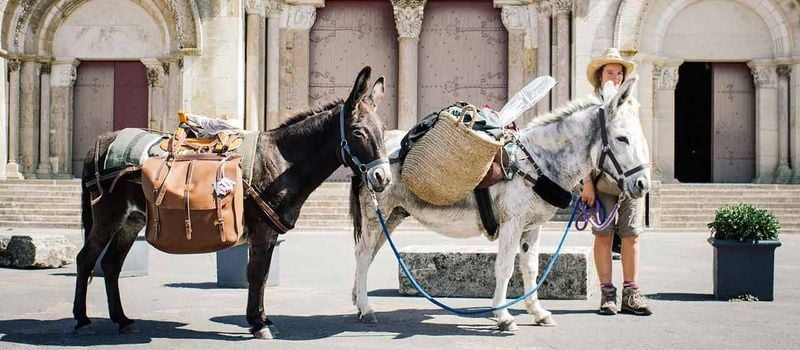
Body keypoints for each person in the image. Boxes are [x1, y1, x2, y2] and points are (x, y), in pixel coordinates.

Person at [581, 48, 652, 316]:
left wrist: (644, 174)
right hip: (602, 183)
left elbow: (639, 143)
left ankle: (631, 294)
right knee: (603, 236)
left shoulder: (632, 106)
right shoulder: (591, 107)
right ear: (600, 77)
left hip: (631, 181)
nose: (615, 76)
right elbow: (585, 148)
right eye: (610, 72)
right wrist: (586, 183)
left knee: (631, 235)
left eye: (619, 73)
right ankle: (607, 295)